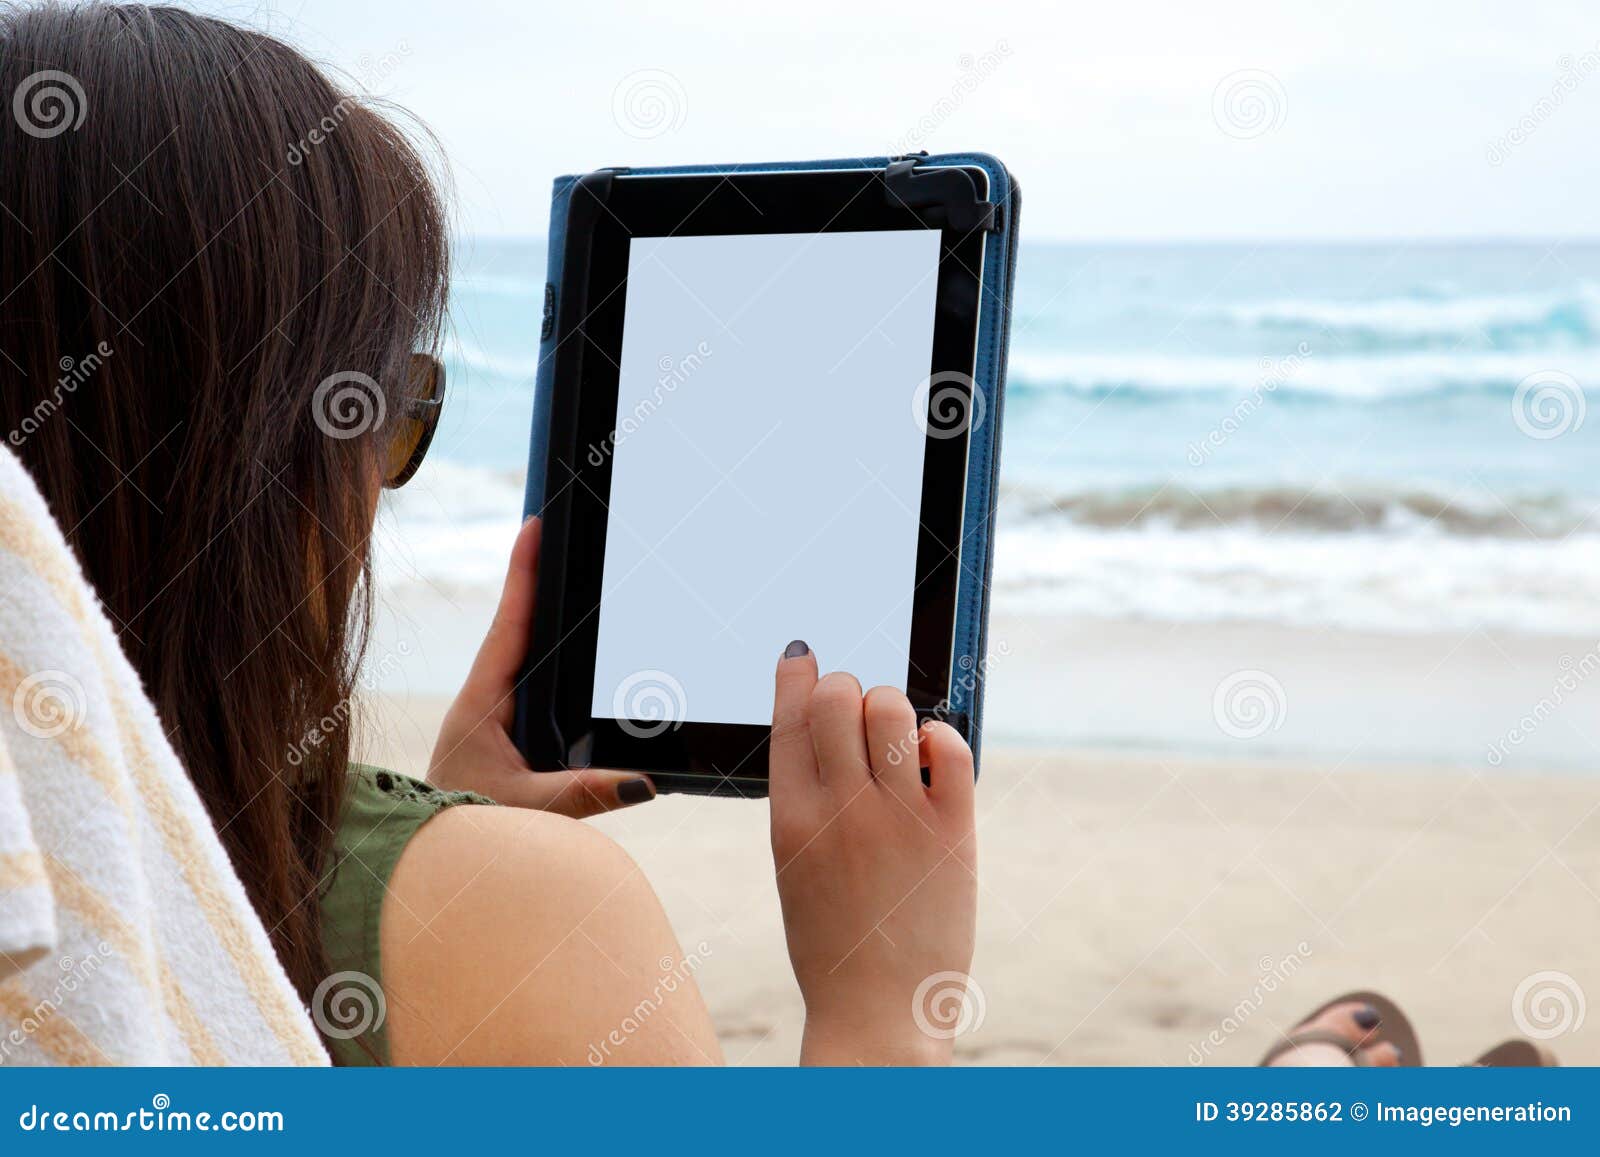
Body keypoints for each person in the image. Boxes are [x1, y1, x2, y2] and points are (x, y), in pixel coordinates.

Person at [0, 2, 976, 1065]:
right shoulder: (529, 923)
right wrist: (879, 1000)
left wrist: (429, 828)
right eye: (390, 404)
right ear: (272, 452)